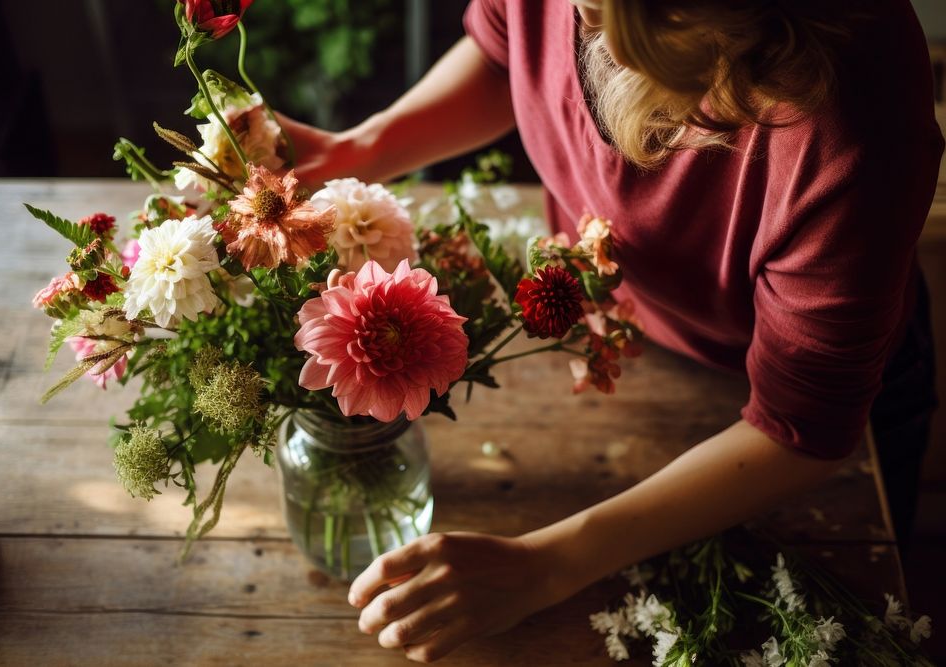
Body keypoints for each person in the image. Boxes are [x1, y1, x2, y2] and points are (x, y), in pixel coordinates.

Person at [274, 0, 943, 661]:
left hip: (801, 420)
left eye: (605, 17)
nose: (579, 30)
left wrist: (545, 565)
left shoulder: (855, 111)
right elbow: (509, 48)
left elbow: (803, 430)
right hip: (629, 334)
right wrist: (363, 147)